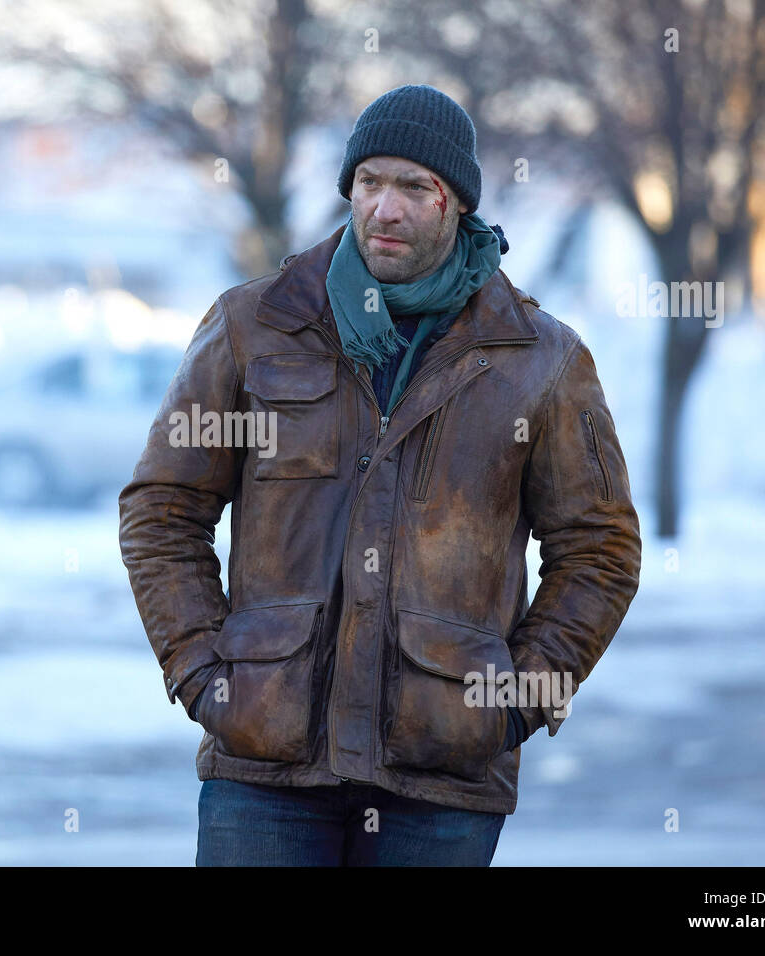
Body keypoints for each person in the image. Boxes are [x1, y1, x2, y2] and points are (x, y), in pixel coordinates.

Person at [118, 83, 642, 866]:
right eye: (369, 183)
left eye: (413, 187)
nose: (385, 209)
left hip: (441, 779)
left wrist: (516, 701)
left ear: (456, 203)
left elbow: (599, 550)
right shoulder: (255, 325)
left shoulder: (540, 358)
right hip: (265, 769)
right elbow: (163, 507)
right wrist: (204, 674)